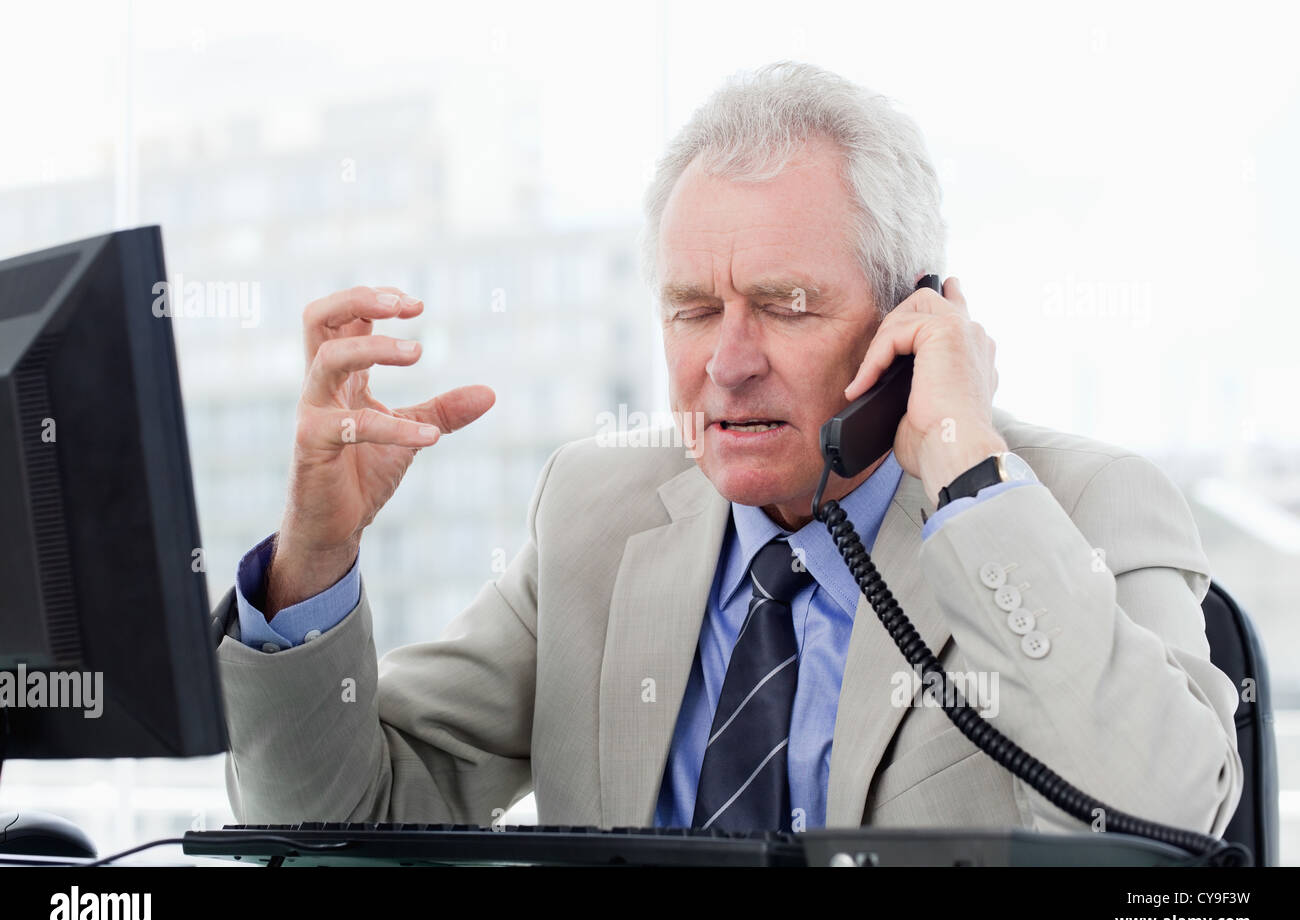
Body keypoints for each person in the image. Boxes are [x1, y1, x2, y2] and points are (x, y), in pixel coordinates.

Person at [212, 61, 1242, 836]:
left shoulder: (1083, 505)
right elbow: (330, 818)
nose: (727, 362)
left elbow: (1165, 826)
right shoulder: (593, 514)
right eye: (692, 310)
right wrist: (315, 553)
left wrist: (967, 474)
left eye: (786, 305)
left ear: (913, 319)